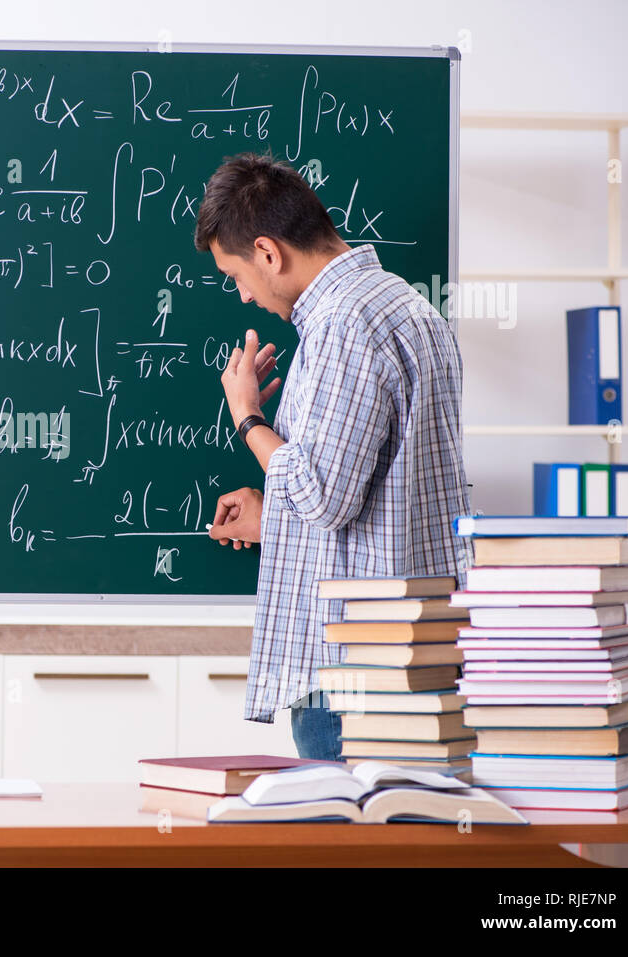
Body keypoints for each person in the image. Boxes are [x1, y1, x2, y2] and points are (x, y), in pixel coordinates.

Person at [196, 152, 471, 762]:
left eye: (236, 275)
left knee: (343, 845)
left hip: (353, 673)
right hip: (412, 654)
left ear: (268, 253)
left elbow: (322, 496)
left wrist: (248, 417)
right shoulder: (406, 306)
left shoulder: (344, 325)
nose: (242, 296)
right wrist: (274, 517)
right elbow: (383, 502)